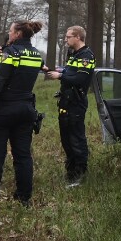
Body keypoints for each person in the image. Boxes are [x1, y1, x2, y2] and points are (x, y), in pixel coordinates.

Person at [0, 20, 44, 218]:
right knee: (23, 157)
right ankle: (24, 199)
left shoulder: (9, 53)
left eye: (11, 31)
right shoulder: (36, 54)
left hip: (3, 110)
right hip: (26, 110)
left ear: (18, 34)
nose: (8, 33)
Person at [47, 25, 96, 187]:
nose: (66, 39)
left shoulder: (86, 56)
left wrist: (60, 76)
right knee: (66, 140)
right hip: (65, 102)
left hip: (76, 103)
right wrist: (57, 72)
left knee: (76, 140)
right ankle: (70, 172)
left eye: (68, 37)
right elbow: (70, 73)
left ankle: (80, 175)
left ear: (78, 37)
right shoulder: (73, 55)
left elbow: (80, 80)